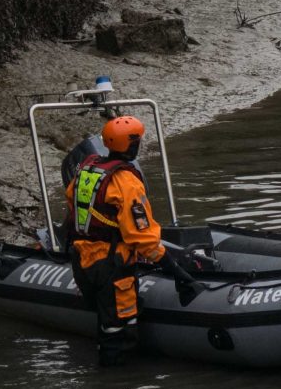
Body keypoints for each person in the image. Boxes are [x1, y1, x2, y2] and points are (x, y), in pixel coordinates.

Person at [66, 115, 199, 366]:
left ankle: (108, 384)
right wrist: (179, 272)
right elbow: (143, 239)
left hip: (83, 259)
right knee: (120, 330)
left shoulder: (87, 169)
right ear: (131, 145)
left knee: (106, 324)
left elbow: (72, 201)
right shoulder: (126, 182)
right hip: (112, 265)